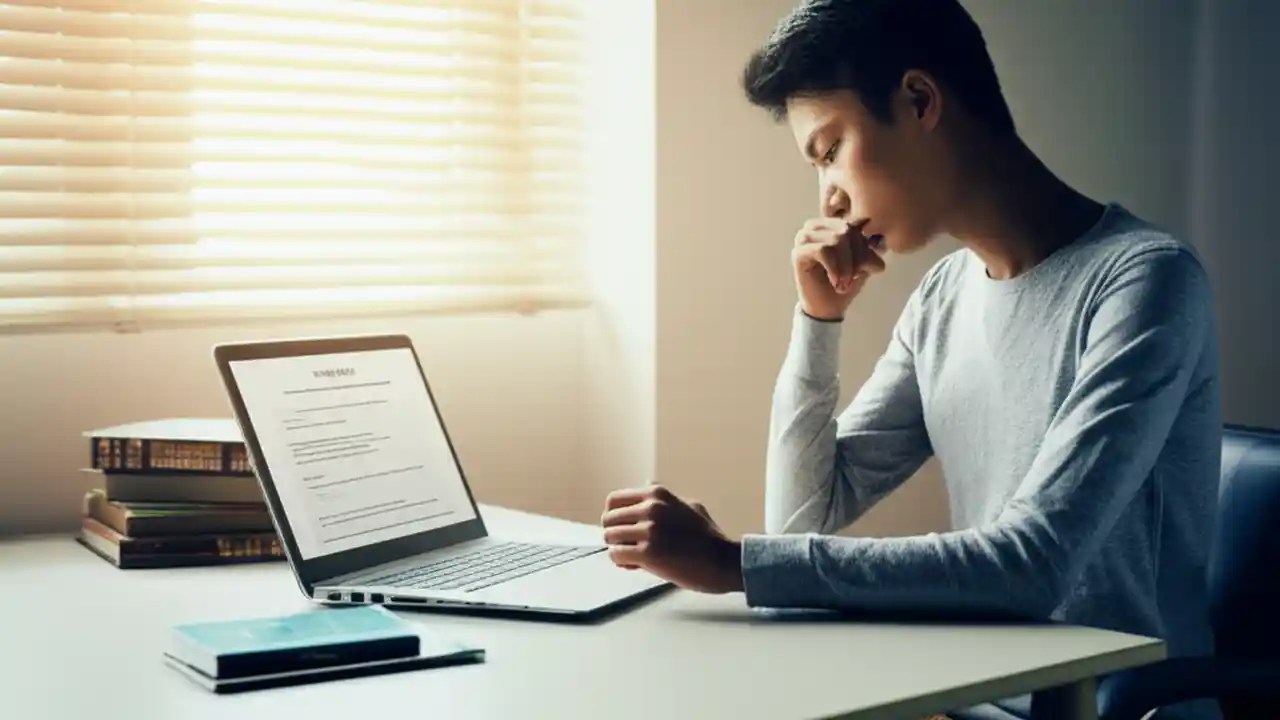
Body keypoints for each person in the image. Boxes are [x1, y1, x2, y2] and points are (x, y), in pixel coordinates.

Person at [600, 1, 1222, 718]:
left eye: (830, 150)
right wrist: (818, 320)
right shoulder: (944, 298)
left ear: (920, 100)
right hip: (973, 697)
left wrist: (728, 563)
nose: (827, 197)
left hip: (1117, 708)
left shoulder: (1146, 280)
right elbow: (804, 519)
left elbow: (1034, 563)